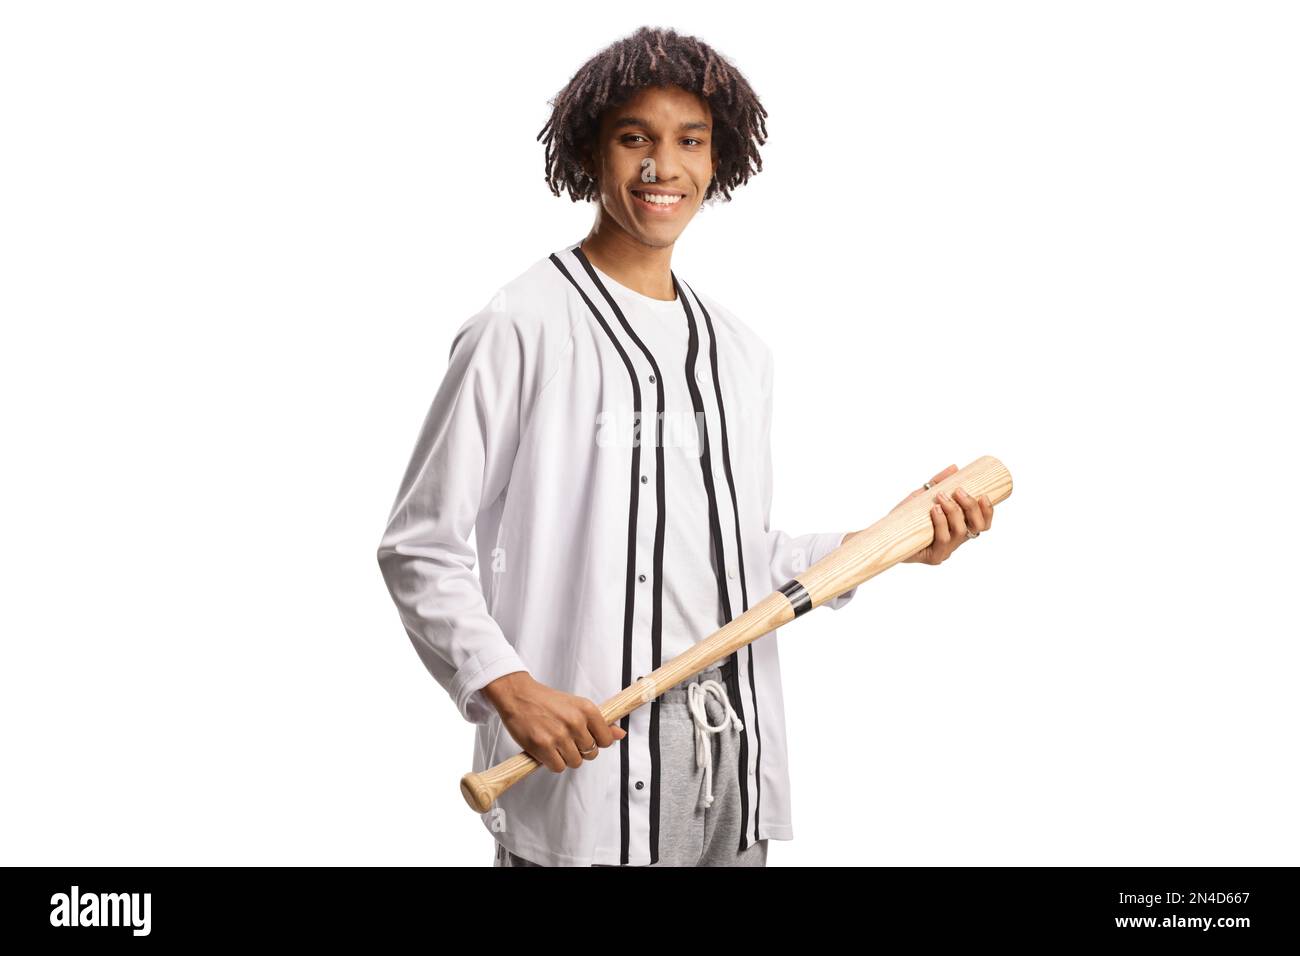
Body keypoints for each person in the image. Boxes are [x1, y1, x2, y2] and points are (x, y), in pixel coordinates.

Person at [376, 25, 994, 868]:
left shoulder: (741, 353)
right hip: (585, 767)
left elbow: (735, 559)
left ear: (718, 158)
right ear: (591, 153)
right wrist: (508, 689)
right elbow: (419, 546)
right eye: (636, 138)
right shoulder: (520, 326)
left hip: (728, 762)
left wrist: (872, 548)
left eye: (688, 141)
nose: (662, 167)